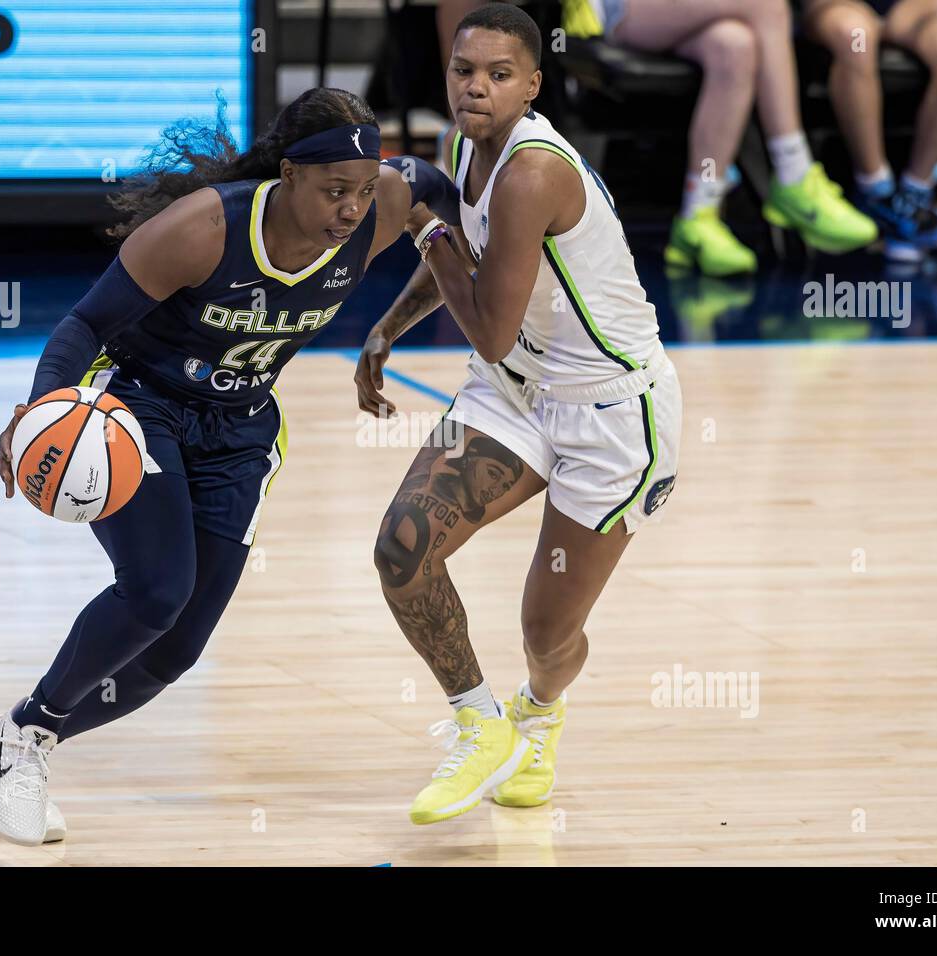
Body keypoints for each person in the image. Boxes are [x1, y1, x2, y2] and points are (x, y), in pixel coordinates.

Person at [0, 88, 463, 846]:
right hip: (139, 409)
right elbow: (85, 323)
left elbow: (434, 186)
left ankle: (19, 735)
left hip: (242, 428)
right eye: (335, 191)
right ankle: (27, 741)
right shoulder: (203, 229)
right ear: (289, 173)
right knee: (157, 592)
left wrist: (403, 312)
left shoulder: (384, 202)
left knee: (175, 650)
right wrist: (41, 412)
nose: (352, 210)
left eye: (363, 192)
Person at [356, 3, 680, 824]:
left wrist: (424, 226)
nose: (477, 87)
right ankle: (479, 721)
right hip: (517, 392)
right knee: (403, 548)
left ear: (531, 86)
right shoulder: (467, 144)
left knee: (546, 629)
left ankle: (537, 712)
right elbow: (473, 261)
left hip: (610, 413)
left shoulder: (534, 170)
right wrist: (388, 328)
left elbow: (490, 324)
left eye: (500, 75)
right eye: (466, 70)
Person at [562, 0, 878, 274]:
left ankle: (698, 217)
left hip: (684, 12)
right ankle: (794, 170)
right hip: (615, 9)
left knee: (734, 47)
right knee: (768, 5)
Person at [797, 0, 937, 261]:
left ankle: (915, 192)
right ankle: (875, 191)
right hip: (839, 5)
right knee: (855, 38)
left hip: (911, 6)